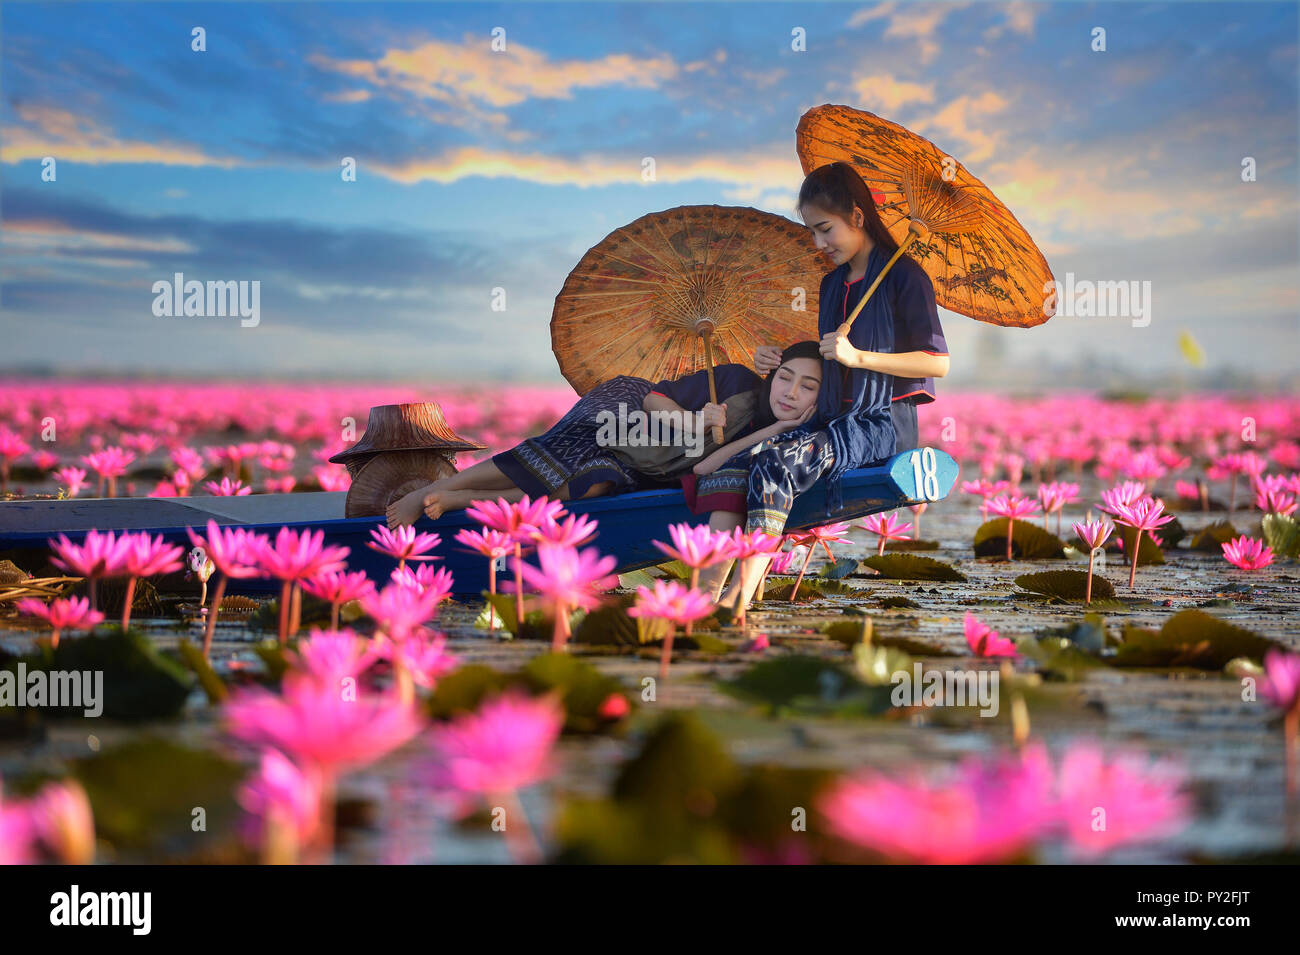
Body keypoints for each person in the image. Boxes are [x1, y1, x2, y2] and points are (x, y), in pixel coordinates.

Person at [705, 161, 951, 609]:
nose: (819, 244)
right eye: (812, 233)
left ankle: (737, 597)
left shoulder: (905, 278)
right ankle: (707, 591)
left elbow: (938, 363)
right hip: (828, 420)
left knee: (775, 464)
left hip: (877, 425)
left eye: (825, 230)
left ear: (857, 217)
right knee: (730, 468)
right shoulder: (831, 283)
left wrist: (861, 357)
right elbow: (824, 357)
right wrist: (778, 360)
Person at [383, 356, 813, 529]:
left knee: (591, 486)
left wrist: (771, 431)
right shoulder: (736, 381)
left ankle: (467, 499)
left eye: (808, 387)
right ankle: (428, 491)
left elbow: (702, 469)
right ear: (774, 373)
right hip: (627, 412)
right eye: (787, 378)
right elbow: (651, 396)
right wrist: (694, 420)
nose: (791, 393)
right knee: (553, 456)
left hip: (647, 461)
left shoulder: (770, 436)